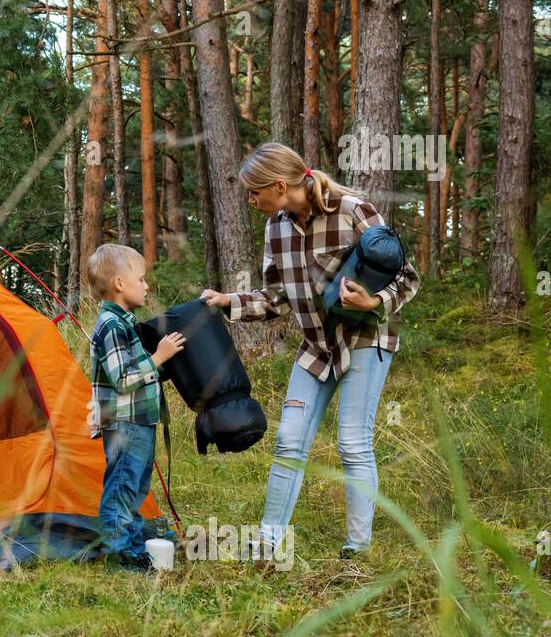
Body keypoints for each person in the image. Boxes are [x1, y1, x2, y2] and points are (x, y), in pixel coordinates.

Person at [200, 142, 420, 560]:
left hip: (366, 339)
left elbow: (407, 277)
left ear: (280, 185)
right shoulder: (275, 228)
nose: (250, 200)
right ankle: (268, 543)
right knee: (289, 440)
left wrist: (374, 303)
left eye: (254, 192)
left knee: (353, 444)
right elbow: (278, 296)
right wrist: (230, 301)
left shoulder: (353, 209)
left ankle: (357, 550)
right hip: (316, 345)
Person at [86, 243, 186, 571]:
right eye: (140, 279)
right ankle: (117, 554)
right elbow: (124, 378)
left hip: (139, 421)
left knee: (135, 486)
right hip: (124, 423)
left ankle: (129, 545)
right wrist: (159, 357)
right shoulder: (111, 326)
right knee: (121, 488)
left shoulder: (125, 322)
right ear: (119, 284)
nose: (145, 286)